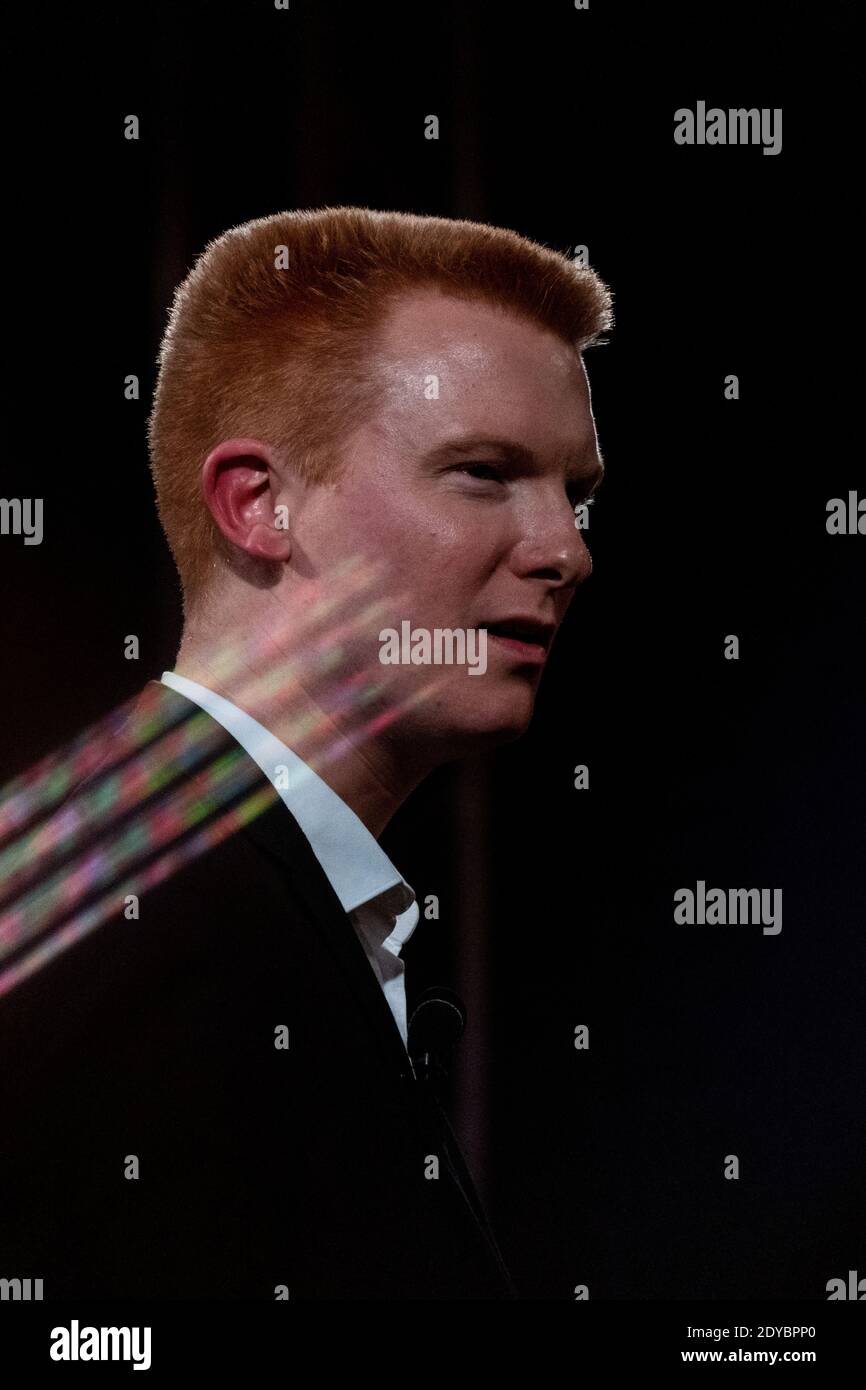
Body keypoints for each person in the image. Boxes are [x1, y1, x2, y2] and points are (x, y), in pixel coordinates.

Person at [0, 207, 612, 1299]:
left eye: (576, 493)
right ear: (258, 504)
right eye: (481, 471)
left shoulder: (218, 887)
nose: (563, 548)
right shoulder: (149, 927)